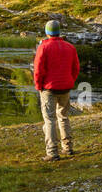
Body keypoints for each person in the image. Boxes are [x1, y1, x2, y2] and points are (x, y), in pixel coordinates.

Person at [32, 19, 81, 161]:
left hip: (49, 88)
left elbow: (38, 70)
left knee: (50, 119)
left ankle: (52, 152)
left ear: (47, 32)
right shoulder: (70, 47)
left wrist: (38, 86)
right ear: (59, 32)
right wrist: (70, 80)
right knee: (63, 117)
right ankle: (68, 147)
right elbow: (76, 68)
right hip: (65, 87)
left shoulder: (43, 47)